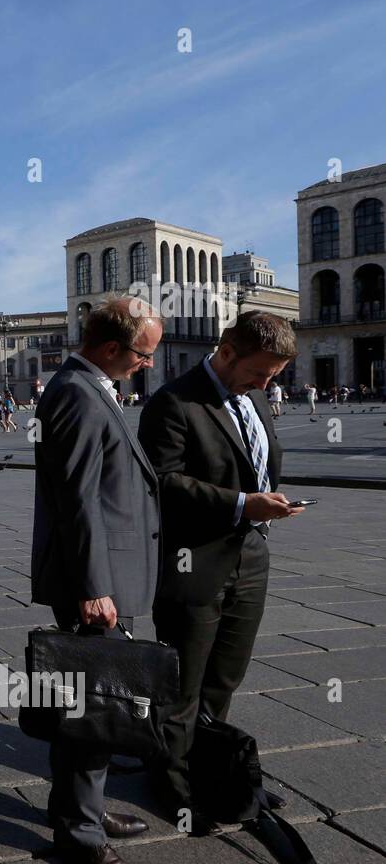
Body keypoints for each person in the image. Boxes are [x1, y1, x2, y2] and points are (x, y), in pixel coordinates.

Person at [138, 312, 303, 828]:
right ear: (227, 352)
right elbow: (162, 482)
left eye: (273, 376)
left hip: (250, 554)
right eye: (261, 373)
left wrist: (263, 506)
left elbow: (257, 463)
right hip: (195, 561)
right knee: (183, 686)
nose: (266, 384)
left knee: (224, 678)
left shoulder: (252, 398)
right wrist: (240, 504)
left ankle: (212, 771)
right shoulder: (174, 402)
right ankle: (171, 784)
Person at [31, 298, 164, 864]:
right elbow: (78, 499)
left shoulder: (93, 383)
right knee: (95, 708)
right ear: (111, 348)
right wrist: (94, 588)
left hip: (107, 574)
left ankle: (82, 807)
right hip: (97, 582)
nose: (148, 364)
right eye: (143, 353)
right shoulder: (79, 394)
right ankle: (82, 838)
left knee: (91, 701)